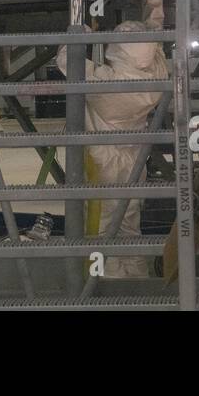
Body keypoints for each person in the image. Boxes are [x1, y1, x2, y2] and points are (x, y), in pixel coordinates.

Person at [56, 19, 170, 278]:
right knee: (129, 223)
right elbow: (158, 51)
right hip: (134, 158)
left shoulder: (109, 82)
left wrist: (79, 32)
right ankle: (137, 281)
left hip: (104, 159)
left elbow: (67, 63)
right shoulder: (156, 76)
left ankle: (108, 285)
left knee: (102, 227)